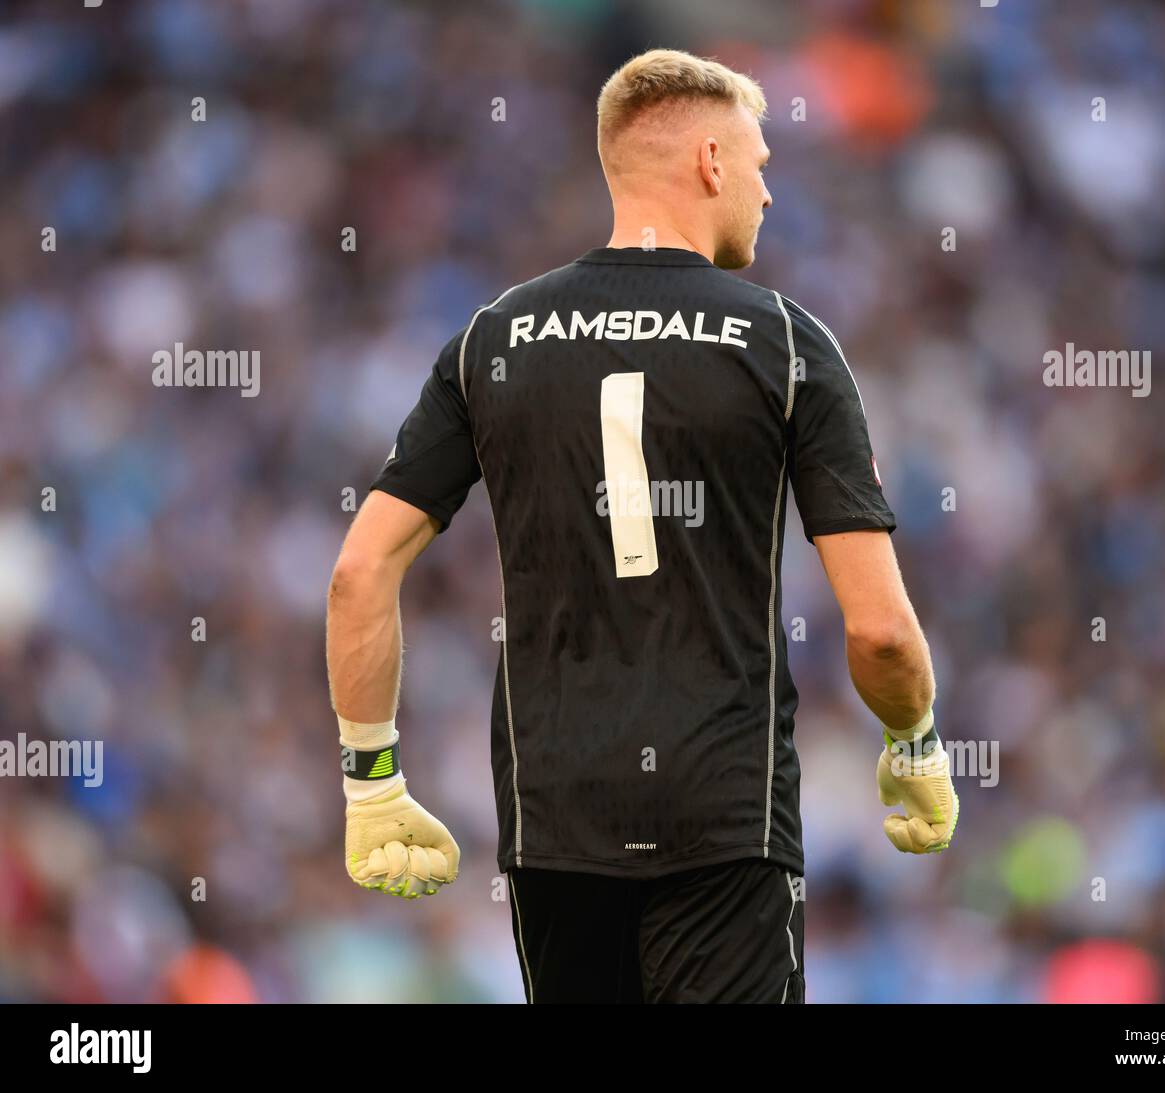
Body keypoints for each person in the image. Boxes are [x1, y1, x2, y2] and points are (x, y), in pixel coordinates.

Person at [325, 47, 956, 1004]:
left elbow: (358, 573)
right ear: (709, 162)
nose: (767, 194)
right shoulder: (788, 344)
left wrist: (371, 780)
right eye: (759, 165)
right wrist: (912, 738)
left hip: (555, 825)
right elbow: (877, 626)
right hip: (725, 820)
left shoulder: (493, 338)